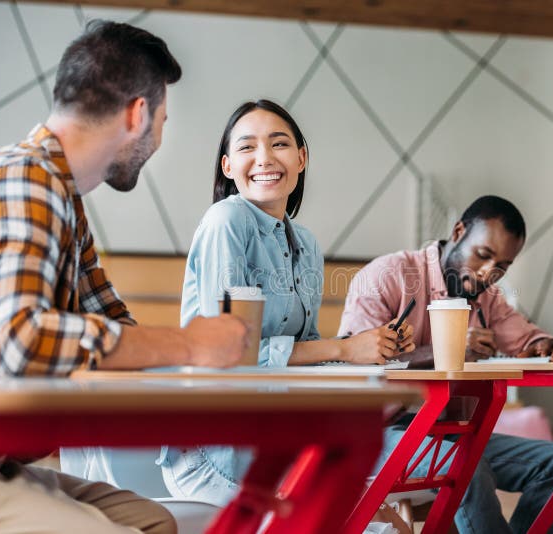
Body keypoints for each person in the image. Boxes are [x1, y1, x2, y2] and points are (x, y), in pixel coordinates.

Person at [0, 21, 249, 534]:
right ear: (138, 114)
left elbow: (115, 322)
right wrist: (189, 345)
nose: (159, 137)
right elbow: (22, 339)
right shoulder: (22, 179)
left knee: (154, 522)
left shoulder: (62, 199)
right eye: (163, 120)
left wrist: (182, 396)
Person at [158, 99, 415, 505]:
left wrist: (366, 349)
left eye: (278, 144)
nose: (264, 158)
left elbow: (306, 349)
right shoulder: (226, 222)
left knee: (386, 514)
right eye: (246, 147)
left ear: (301, 157)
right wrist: (345, 349)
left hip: (279, 442)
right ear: (228, 166)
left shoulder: (306, 245)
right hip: (213, 453)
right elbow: (225, 353)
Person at [338, 195, 553, 534]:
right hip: (372, 433)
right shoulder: (387, 275)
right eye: (482, 255)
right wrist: (445, 349)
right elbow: (354, 361)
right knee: (466, 466)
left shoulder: (486, 297)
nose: (487, 272)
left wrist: (542, 344)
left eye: (502, 267)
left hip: (444, 432)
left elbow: (522, 336)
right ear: (459, 231)